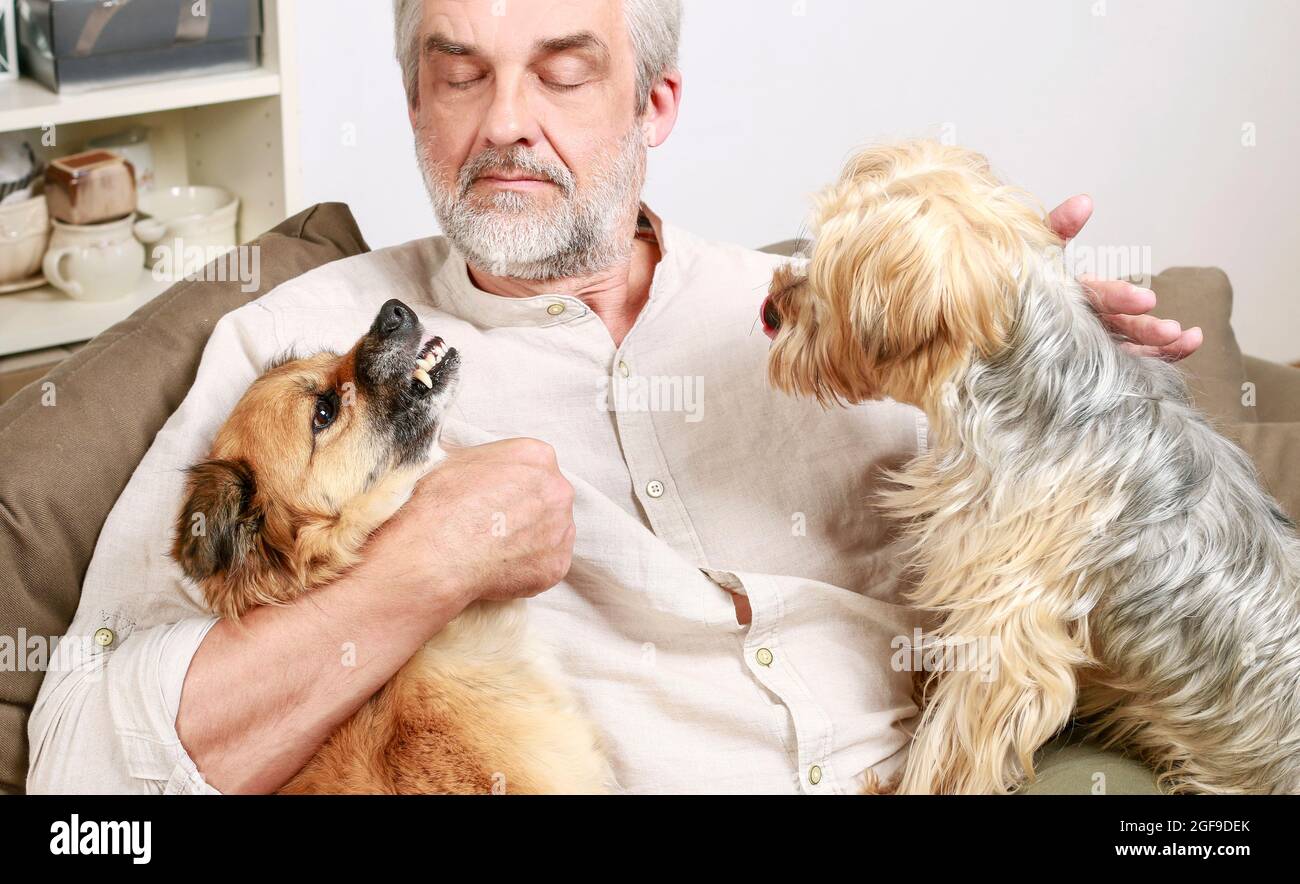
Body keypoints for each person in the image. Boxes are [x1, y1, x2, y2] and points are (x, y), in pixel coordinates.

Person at [27, 0, 1200, 794]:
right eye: (458, 74)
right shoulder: (294, 346)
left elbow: (1075, 586)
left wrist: (1035, 366)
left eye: (564, 70)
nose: (503, 125)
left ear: (654, 105)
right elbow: (83, 766)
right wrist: (427, 563)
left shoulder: (832, 323)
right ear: (415, 110)